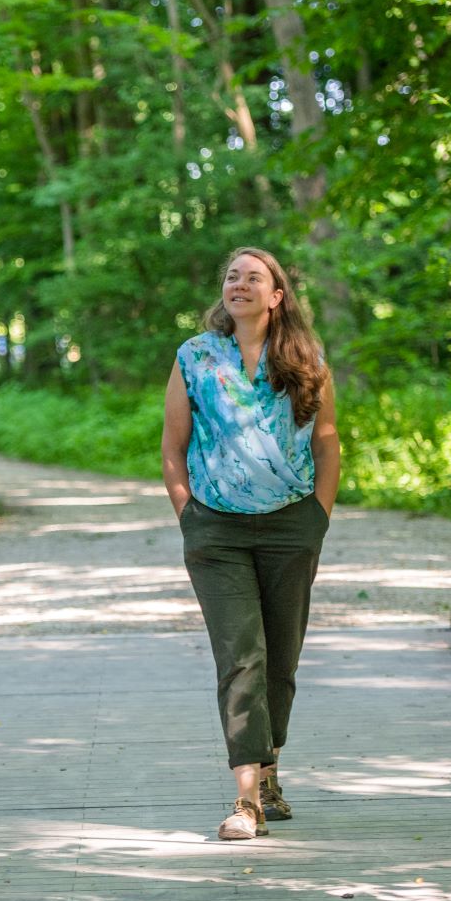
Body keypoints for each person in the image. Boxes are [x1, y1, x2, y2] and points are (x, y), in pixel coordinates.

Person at [161, 247, 340, 841]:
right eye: (231, 276)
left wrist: (318, 516)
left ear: (277, 295)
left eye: (252, 278)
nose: (239, 284)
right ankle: (246, 801)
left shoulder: (306, 356)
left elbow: (328, 443)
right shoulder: (195, 357)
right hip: (217, 529)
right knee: (242, 658)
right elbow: (173, 446)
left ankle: (269, 772)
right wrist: (191, 516)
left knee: (280, 661)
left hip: (292, 525)